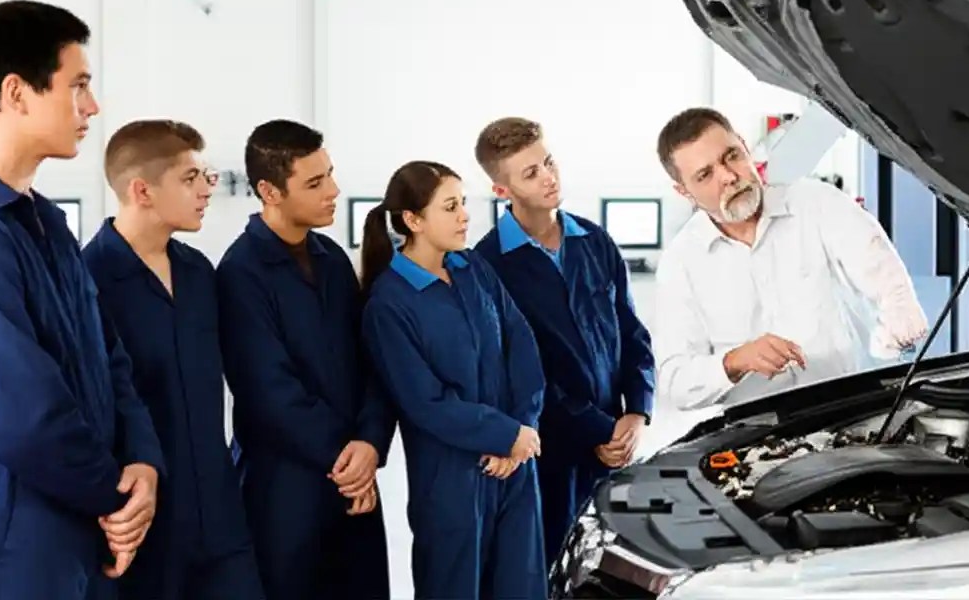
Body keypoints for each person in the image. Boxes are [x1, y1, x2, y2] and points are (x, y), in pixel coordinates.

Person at [0, 0, 164, 600]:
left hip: (85, 527)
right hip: (13, 547)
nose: (92, 106)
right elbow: (24, 418)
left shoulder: (42, 221)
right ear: (16, 93)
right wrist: (117, 498)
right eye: (78, 86)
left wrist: (143, 461)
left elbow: (108, 355)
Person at [81, 119, 264, 600]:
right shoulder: (87, 281)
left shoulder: (198, 271)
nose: (207, 189)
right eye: (190, 179)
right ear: (142, 190)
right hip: (144, 518)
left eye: (205, 176)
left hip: (222, 512)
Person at [216, 120, 394, 600]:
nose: (333, 191)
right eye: (315, 183)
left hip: (355, 481)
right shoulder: (240, 273)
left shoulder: (333, 258)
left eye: (330, 174)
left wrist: (371, 443)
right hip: (285, 493)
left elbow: (372, 362)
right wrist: (348, 459)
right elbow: (268, 392)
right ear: (269, 191)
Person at [653, 107, 930, 411]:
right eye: (705, 175)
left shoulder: (818, 204)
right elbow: (675, 383)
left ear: (745, 146)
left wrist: (898, 315)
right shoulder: (680, 264)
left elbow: (883, 275)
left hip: (852, 410)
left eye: (731, 156)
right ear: (684, 192)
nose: (729, 177)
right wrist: (734, 361)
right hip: (757, 436)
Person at [471, 117, 655, 567]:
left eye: (548, 162)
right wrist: (597, 429)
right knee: (556, 569)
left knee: (621, 571)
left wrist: (637, 411)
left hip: (618, 445)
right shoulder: (488, 266)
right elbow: (518, 373)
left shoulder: (596, 241)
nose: (549, 176)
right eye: (531, 173)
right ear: (502, 190)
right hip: (549, 455)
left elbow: (631, 332)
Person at [359, 161, 547, 600]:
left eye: (463, 203)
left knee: (523, 586)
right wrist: (503, 434)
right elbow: (424, 401)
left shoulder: (473, 268)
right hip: (451, 482)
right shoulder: (388, 304)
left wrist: (522, 430)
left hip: (516, 466)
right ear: (413, 220)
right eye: (450, 206)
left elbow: (522, 346)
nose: (465, 215)